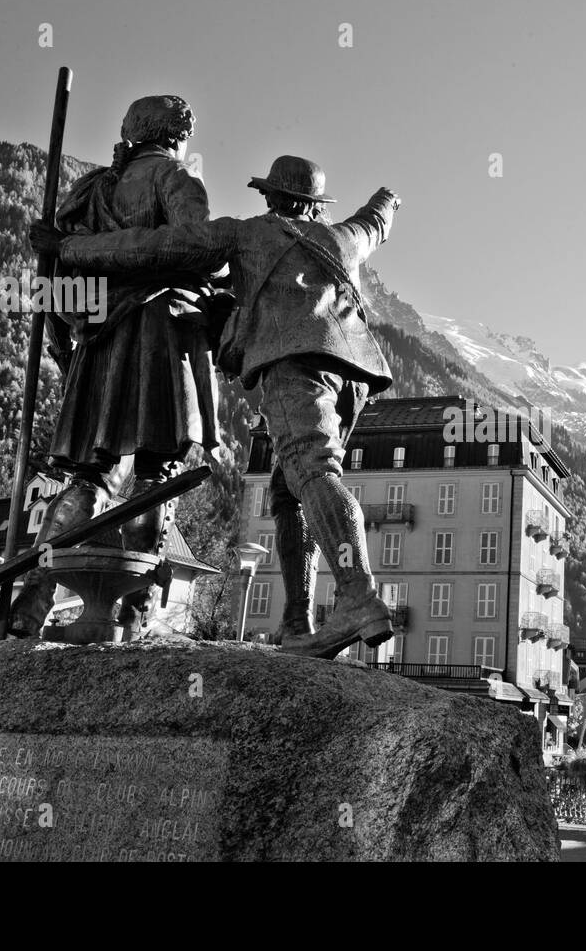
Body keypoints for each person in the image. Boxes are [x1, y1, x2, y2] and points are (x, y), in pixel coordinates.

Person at [32, 155, 400, 659]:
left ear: (270, 197)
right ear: (315, 206)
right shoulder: (344, 238)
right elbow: (376, 221)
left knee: (312, 471)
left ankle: (358, 598)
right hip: (354, 374)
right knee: (287, 490)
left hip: (296, 362)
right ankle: (298, 624)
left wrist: (69, 246)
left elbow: (153, 245)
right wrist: (389, 196)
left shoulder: (245, 234)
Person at [12, 95, 226, 639]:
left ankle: (29, 608)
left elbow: (57, 270)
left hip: (100, 340)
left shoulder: (91, 191)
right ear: (176, 136)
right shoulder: (176, 179)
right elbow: (195, 246)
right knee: (155, 473)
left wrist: (78, 271)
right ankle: (132, 617)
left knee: (90, 476)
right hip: (156, 334)